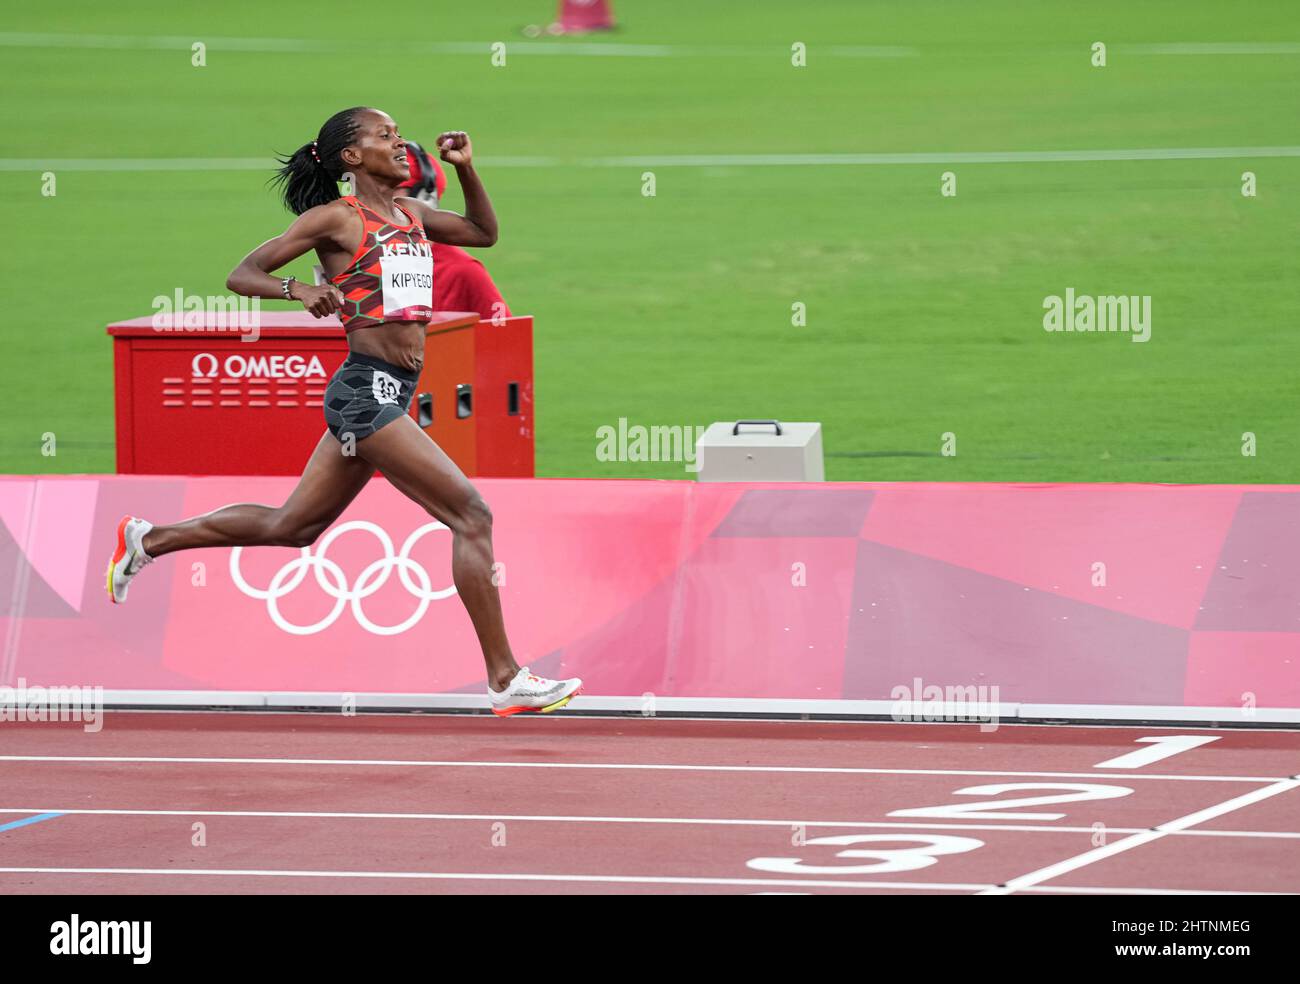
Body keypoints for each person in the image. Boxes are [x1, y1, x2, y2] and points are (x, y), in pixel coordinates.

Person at [106, 106, 581, 717]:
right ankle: (505, 677)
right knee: (471, 514)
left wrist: (467, 169)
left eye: (396, 133)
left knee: (293, 528)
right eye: (384, 136)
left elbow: (483, 233)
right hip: (366, 391)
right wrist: (298, 290)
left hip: (393, 390)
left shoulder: (411, 215)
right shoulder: (336, 218)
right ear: (352, 158)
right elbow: (242, 272)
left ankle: (149, 539)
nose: (399, 142)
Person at [399, 139, 513, 322]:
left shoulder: (462, 271)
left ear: (423, 199)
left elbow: (505, 343)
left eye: (390, 190)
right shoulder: (349, 257)